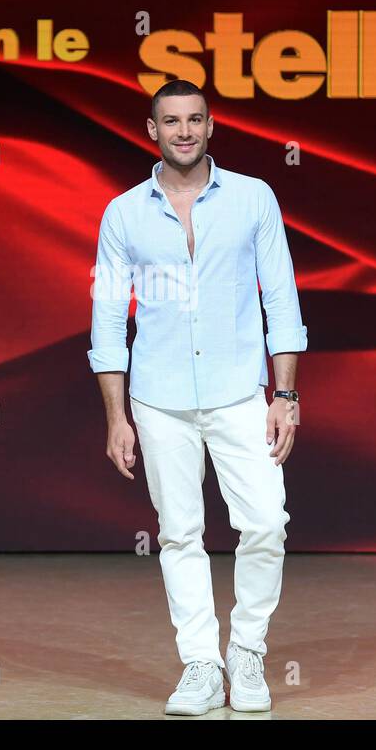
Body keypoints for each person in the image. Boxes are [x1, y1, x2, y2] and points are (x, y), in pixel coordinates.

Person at [87, 78, 307, 715]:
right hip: (158, 398)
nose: (184, 130)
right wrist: (116, 416)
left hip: (241, 392)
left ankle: (247, 651)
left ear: (211, 127)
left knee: (266, 523)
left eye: (195, 119)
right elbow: (107, 320)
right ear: (151, 130)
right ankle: (201, 667)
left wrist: (285, 393)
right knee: (180, 535)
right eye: (171, 121)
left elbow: (282, 301)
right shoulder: (123, 214)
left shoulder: (252, 199)